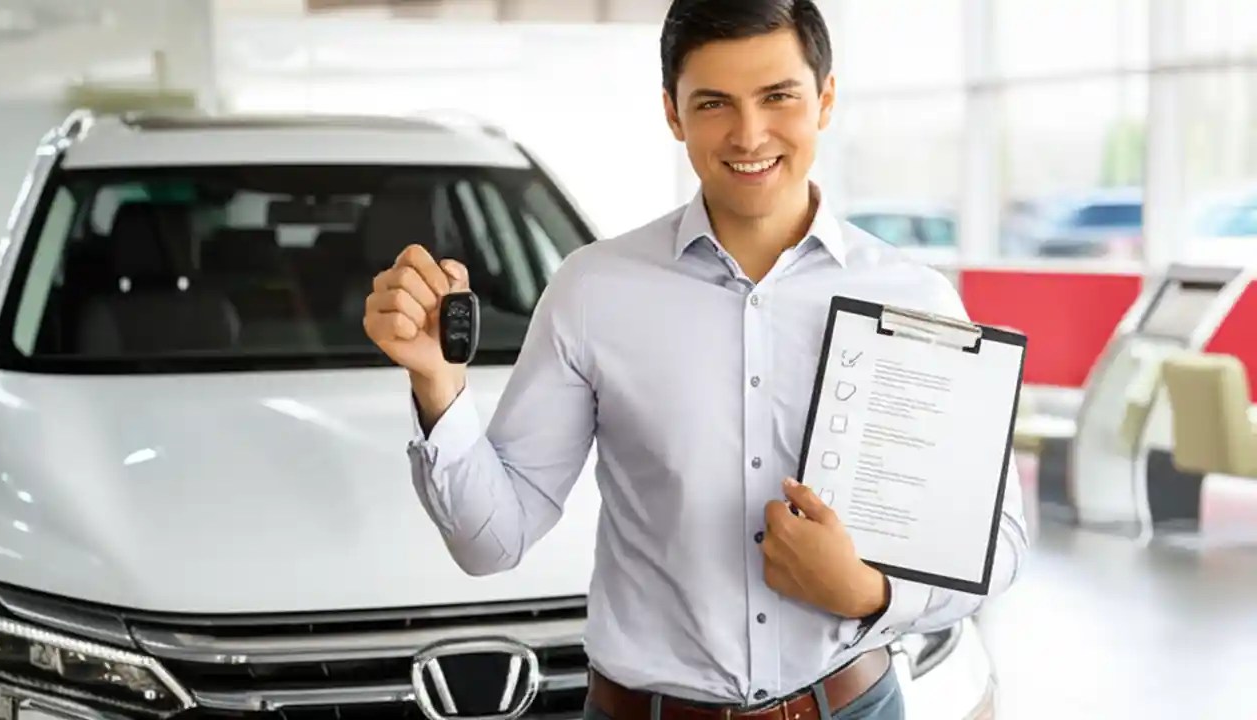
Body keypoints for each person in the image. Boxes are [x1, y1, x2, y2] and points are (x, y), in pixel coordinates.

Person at [363, 1, 1029, 718]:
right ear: (673, 114)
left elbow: (1000, 543)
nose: (749, 135)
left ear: (825, 99)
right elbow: (492, 542)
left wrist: (870, 595)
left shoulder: (913, 299)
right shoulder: (594, 290)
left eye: (778, 96)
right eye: (714, 103)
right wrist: (437, 382)